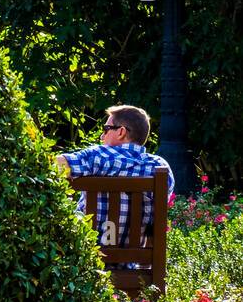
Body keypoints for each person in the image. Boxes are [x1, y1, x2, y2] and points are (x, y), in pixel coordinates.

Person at [56, 104, 174, 264]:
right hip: (131, 265)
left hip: (85, 262)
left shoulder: (99, 157)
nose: (101, 137)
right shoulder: (161, 168)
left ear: (121, 132)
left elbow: (53, 166)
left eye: (106, 129)